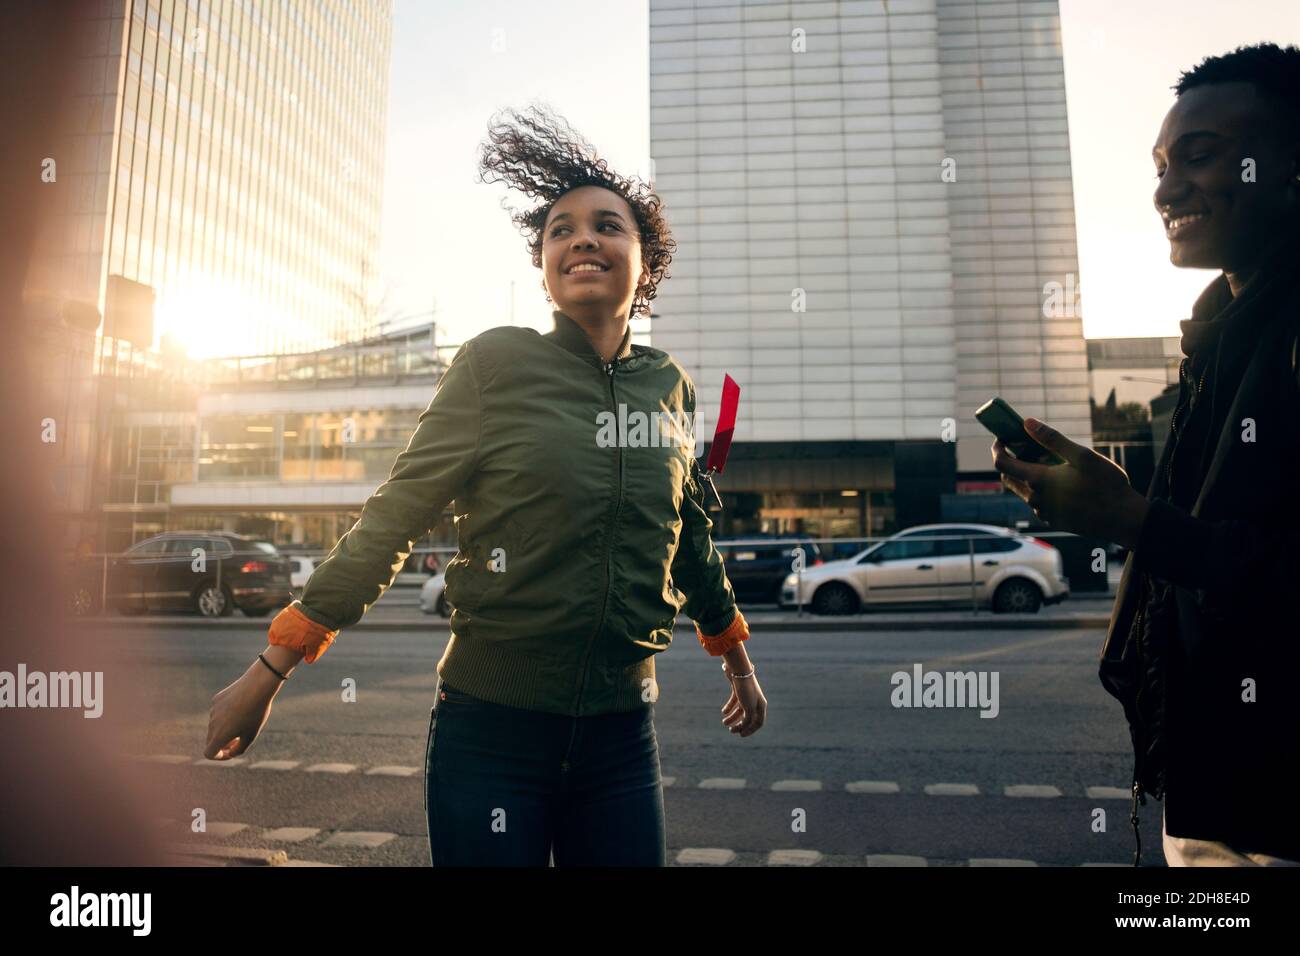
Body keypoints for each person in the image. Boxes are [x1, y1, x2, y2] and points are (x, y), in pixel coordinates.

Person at [204, 103, 766, 867]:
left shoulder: (671, 388)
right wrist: (271, 667)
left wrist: (737, 659)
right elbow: (396, 515)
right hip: (491, 732)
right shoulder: (494, 364)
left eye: (607, 224)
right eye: (559, 231)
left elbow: (689, 538)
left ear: (647, 260)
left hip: (621, 737)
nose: (580, 239)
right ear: (543, 268)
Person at [992, 43, 1300, 866]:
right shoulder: (1213, 342)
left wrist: (1131, 520)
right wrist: (1126, 507)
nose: (1165, 189)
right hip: (1214, 786)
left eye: (1197, 158)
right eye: (1160, 164)